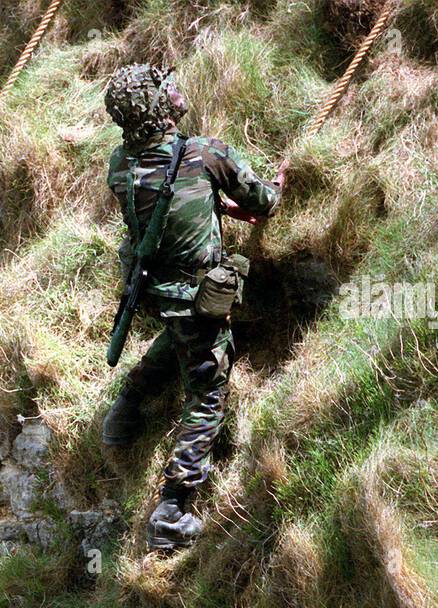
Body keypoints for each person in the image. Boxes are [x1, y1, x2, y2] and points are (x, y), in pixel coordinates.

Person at [102, 63, 286, 552]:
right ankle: (171, 510)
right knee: (206, 393)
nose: (175, 90)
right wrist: (280, 183)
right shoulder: (206, 153)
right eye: (166, 87)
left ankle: (125, 409)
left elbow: (169, 203)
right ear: (158, 105)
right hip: (197, 301)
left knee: (178, 336)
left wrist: (215, 206)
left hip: (152, 294)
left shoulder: (120, 164)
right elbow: (265, 202)